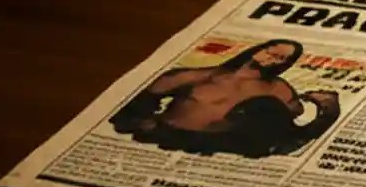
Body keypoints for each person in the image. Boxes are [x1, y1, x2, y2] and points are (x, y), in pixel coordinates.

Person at [110, 39, 339, 159]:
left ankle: (330, 110)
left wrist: (326, 108)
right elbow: (136, 104)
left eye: (281, 58)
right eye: (271, 51)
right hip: (168, 136)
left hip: (224, 146)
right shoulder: (194, 76)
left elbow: (288, 134)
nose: (273, 59)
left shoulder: (279, 89)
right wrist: (143, 122)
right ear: (258, 49)